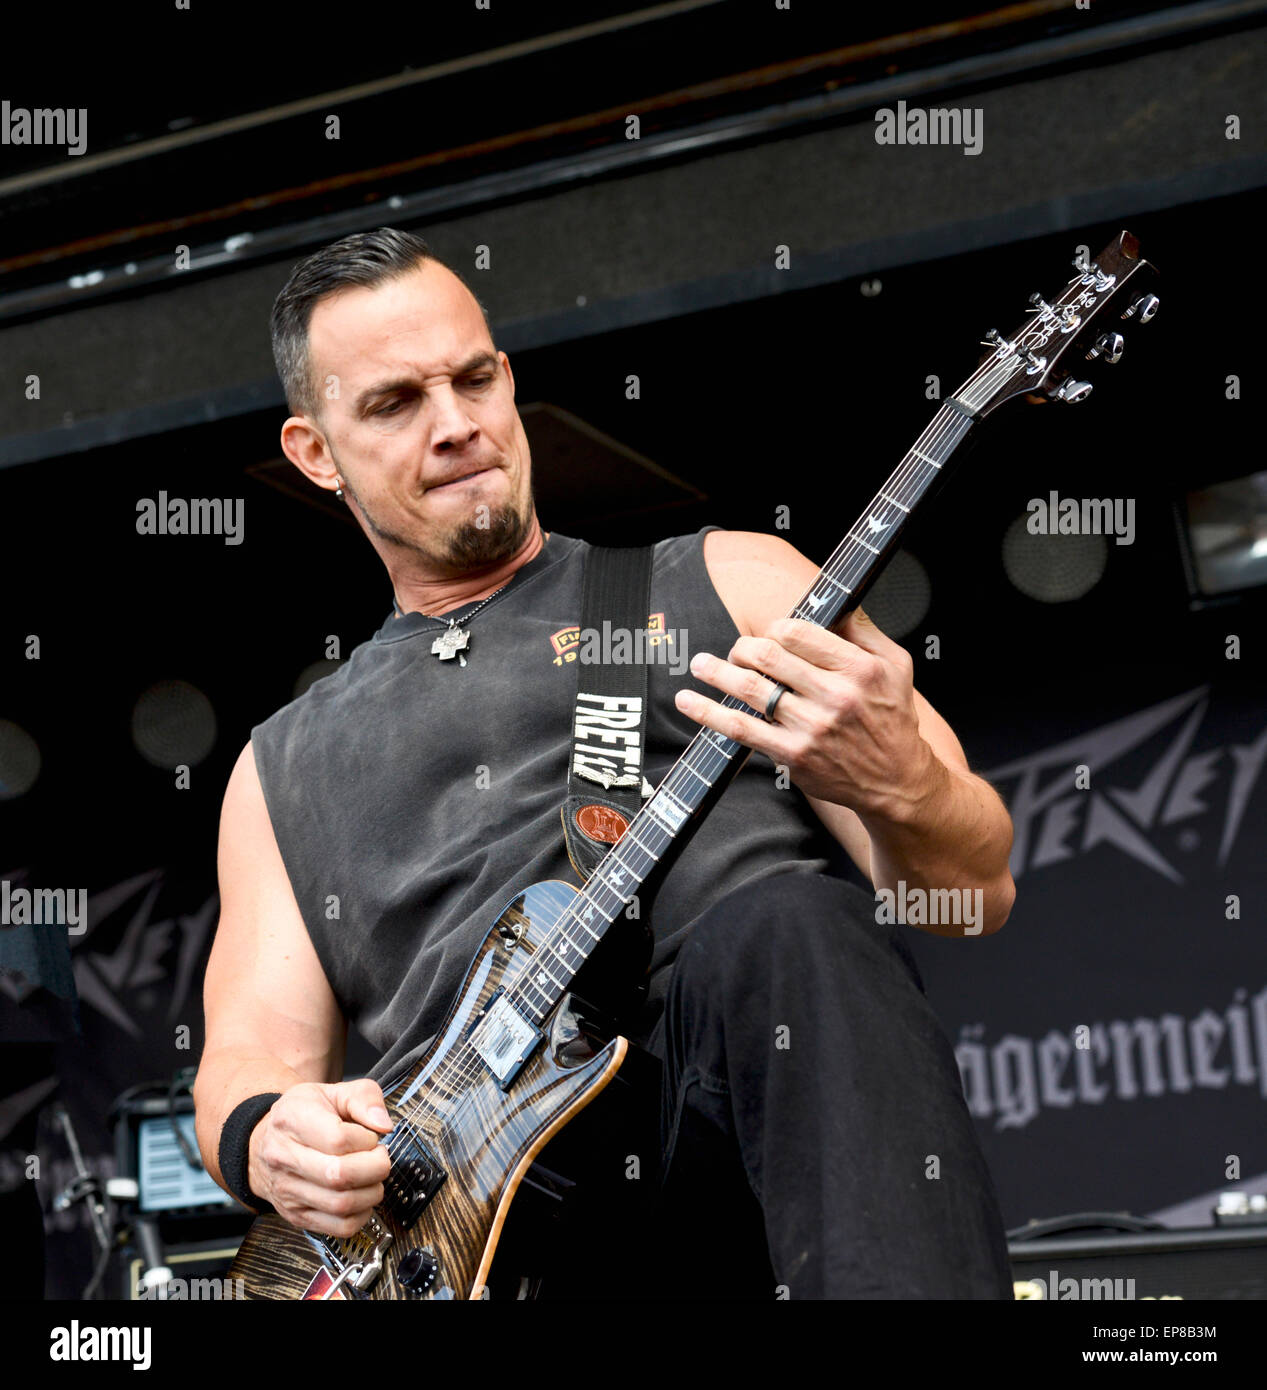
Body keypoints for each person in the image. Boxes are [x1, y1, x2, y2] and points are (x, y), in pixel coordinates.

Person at [193, 228, 1017, 1299]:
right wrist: (269, 1138)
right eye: (395, 404)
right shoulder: (279, 763)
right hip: (477, 1233)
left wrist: (902, 784)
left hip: (728, 1131)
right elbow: (247, 1060)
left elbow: (970, 899)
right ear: (314, 451)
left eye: (476, 378)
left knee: (787, 922)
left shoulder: (737, 582)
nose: (456, 427)